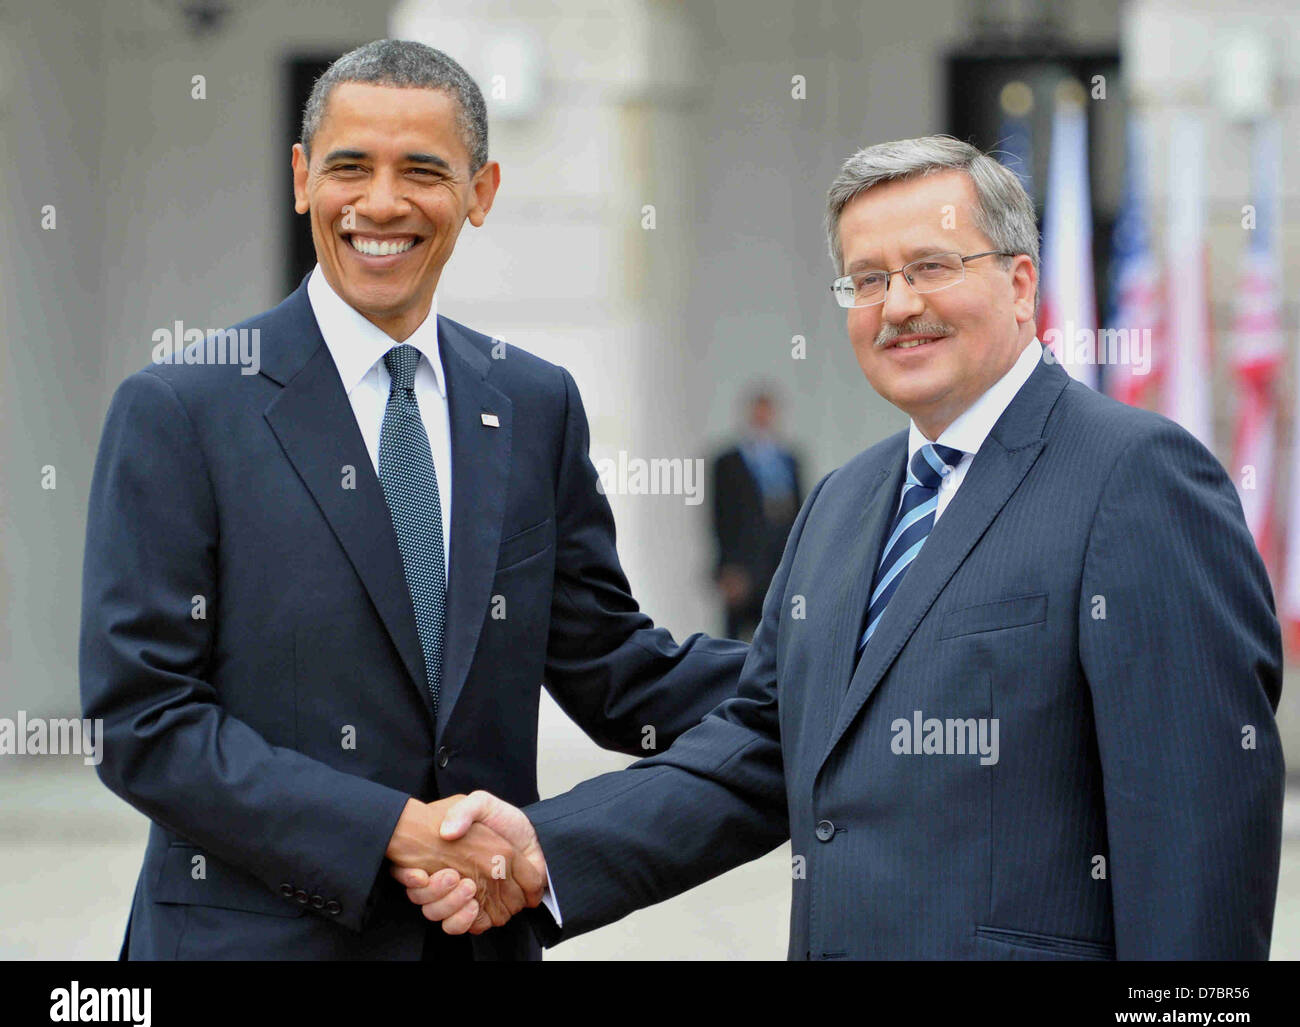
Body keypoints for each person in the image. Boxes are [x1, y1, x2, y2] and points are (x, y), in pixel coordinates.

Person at [400, 135, 1286, 960]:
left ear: (1022, 284)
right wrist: (545, 846)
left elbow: (1194, 834)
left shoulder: (1139, 480)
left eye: (932, 267)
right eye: (866, 280)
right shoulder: (843, 502)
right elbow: (762, 746)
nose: (898, 305)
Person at [79, 39, 745, 962]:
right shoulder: (182, 407)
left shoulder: (533, 403)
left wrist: (837, 673)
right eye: (351, 167)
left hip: (474, 946)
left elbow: (614, 668)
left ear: (481, 192)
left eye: (423, 171)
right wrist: (393, 828)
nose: (382, 203)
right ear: (304, 177)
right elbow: (140, 721)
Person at [711, 388, 802, 640]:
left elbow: (800, 514)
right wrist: (726, 567)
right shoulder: (727, 462)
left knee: (776, 634)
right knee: (734, 638)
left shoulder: (789, 460)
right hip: (742, 566)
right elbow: (719, 517)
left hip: (777, 564)